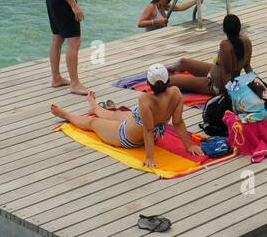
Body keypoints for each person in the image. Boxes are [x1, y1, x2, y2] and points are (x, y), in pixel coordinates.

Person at [51, 66, 201, 170]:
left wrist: (150, 157)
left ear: (148, 83)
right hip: (148, 132)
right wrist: (189, 146)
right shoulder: (175, 92)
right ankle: (95, 107)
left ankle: (66, 115)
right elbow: (178, 122)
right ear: (168, 80)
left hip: (127, 137)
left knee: (93, 122)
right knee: (116, 114)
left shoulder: (146, 99)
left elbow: (148, 130)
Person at [167, 13, 251, 95]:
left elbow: (227, 75)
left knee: (169, 81)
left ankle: (161, 76)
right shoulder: (247, 41)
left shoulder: (226, 46)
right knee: (183, 62)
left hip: (215, 85)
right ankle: (167, 70)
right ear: (239, 27)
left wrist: (232, 93)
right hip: (215, 72)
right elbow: (247, 67)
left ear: (224, 30)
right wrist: (256, 81)